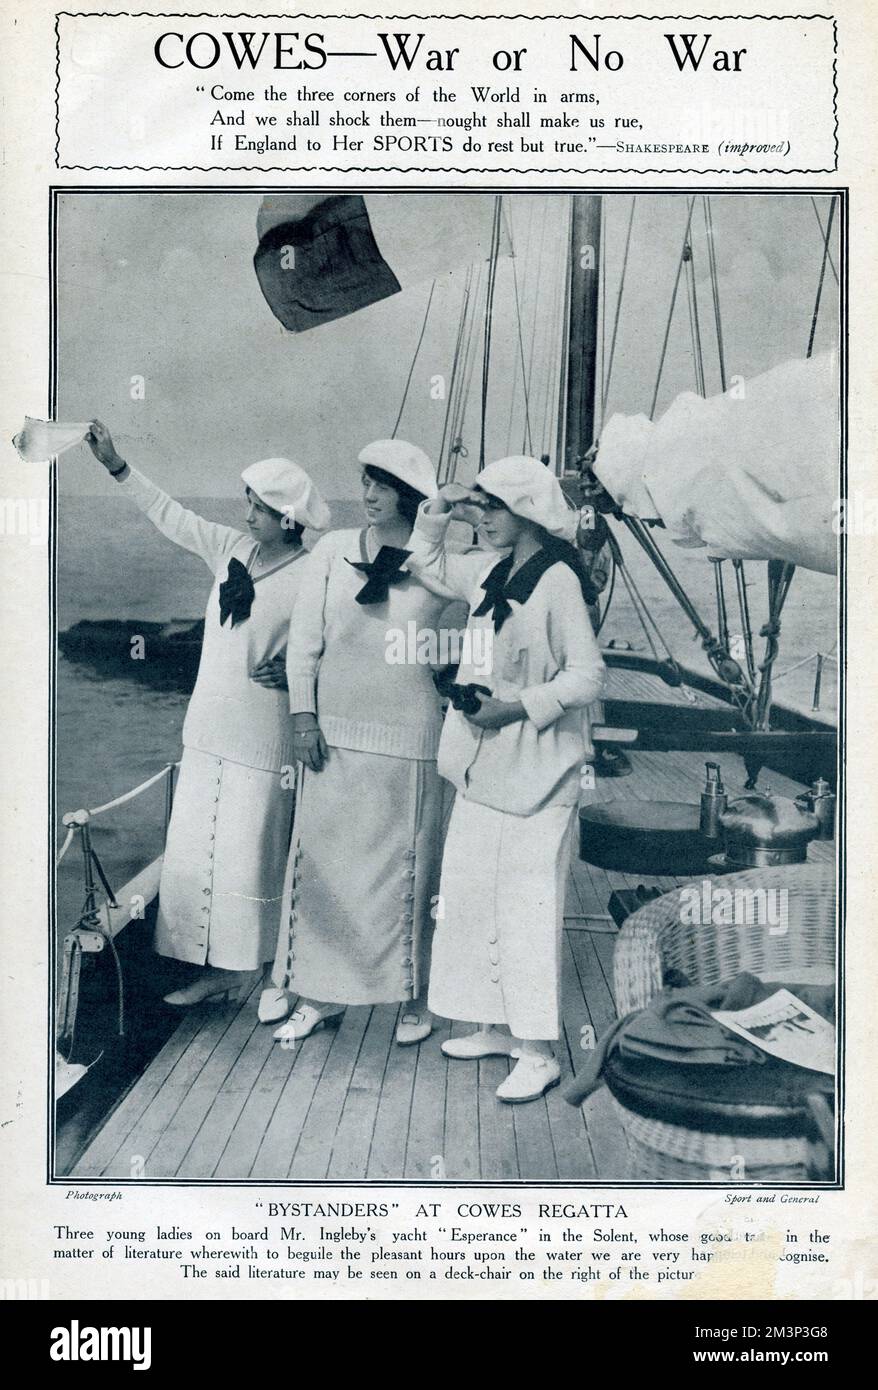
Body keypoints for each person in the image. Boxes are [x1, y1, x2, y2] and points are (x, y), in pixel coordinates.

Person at [85, 420, 331, 1010]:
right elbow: (169, 515)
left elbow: (341, 645)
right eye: (248, 503)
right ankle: (210, 971)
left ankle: (251, 972)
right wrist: (117, 466)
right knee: (197, 856)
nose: (248, 515)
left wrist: (307, 676)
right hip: (207, 731)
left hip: (262, 735)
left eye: (260, 508)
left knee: (248, 858)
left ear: (289, 520)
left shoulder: (314, 575)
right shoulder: (230, 549)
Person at [405, 456, 606, 1103]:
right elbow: (427, 565)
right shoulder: (491, 570)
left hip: (540, 772)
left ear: (526, 513)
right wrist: (443, 506)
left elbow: (587, 676)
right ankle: (493, 1024)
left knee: (524, 907)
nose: (482, 517)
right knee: (468, 897)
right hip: (482, 767)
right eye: (481, 505)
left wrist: (518, 706)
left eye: (492, 507)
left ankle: (538, 1051)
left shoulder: (557, 583)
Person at [267, 440, 460, 1047]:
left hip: (409, 738)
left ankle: (412, 997)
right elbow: (304, 643)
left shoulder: (440, 558)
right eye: (365, 481)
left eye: (381, 484)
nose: (368, 494)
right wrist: (304, 718)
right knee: (324, 872)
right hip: (333, 737)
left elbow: (498, 607)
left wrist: (457, 660)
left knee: (406, 874)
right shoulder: (330, 549)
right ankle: (321, 998)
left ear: (409, 494)